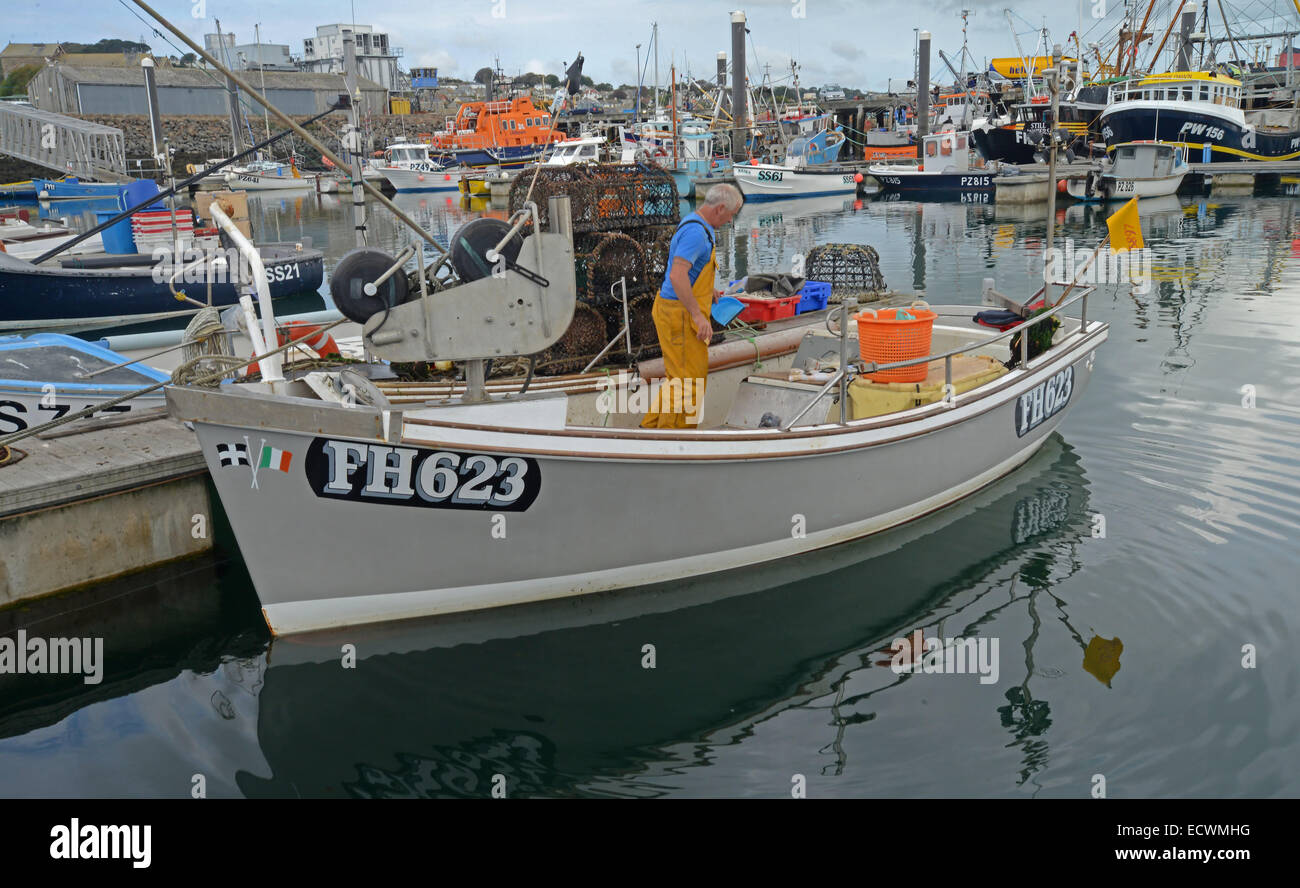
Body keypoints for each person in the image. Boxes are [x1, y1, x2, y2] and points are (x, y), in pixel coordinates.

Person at [640, 183, 743, 429]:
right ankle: (673, 440)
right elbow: (677, 276)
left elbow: (690, 273)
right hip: (680, 316)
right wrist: (698, 315)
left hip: (675, 310)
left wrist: (709, 292)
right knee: (688, 382)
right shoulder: (697, 234)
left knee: (680, 379)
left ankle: (649, 430)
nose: (730, 220)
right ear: (720, 209)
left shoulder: (696, 224)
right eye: (731, 214)